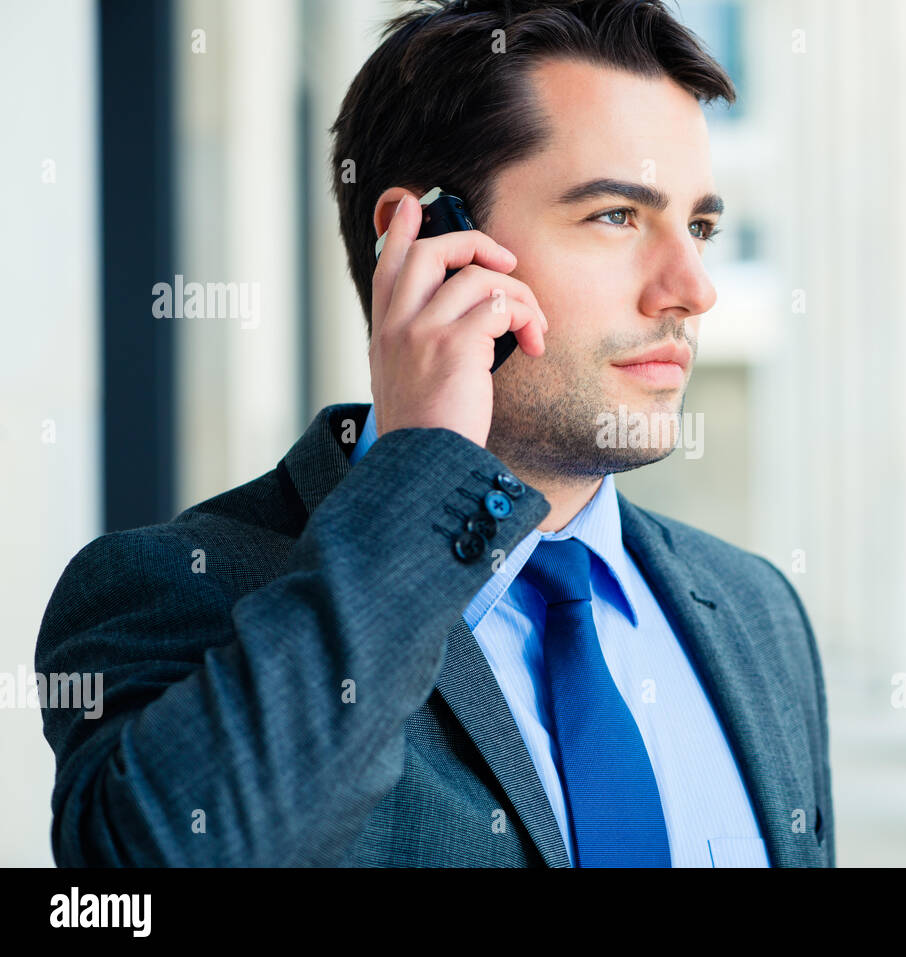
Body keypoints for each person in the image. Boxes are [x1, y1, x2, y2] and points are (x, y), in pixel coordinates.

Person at [36, 0, 833, 868]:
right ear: (427, 246)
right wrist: (427, 472)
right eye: (616, 216)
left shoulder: (758, 613)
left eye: (702, 227)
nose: (691, 288)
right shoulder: (170, 589)